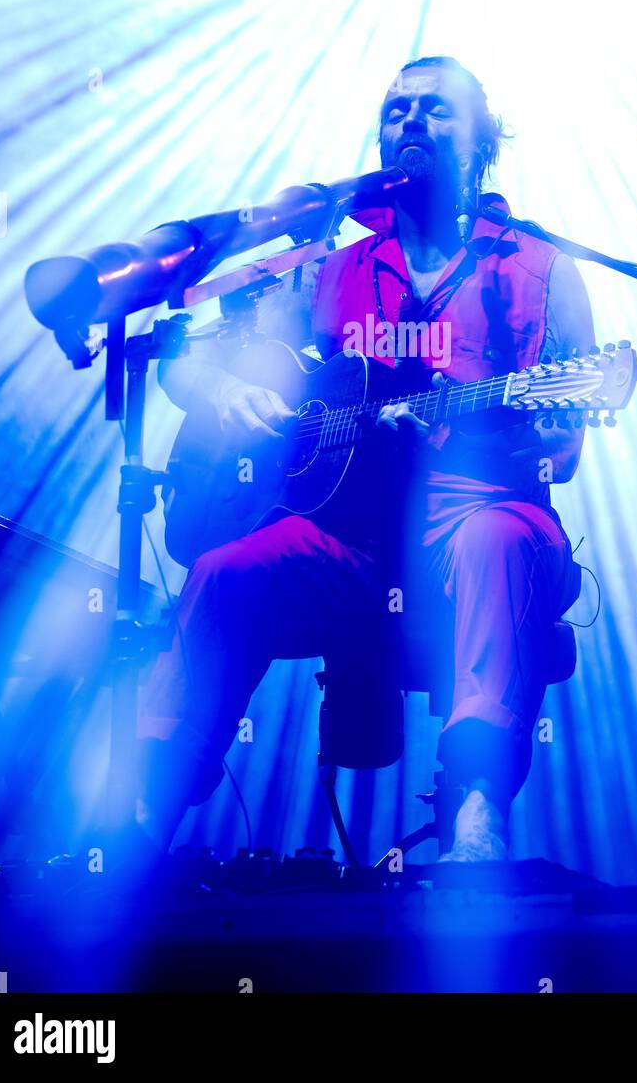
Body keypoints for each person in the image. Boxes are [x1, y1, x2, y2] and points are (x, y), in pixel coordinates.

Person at [137, 56, 594, 862]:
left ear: (483, 137)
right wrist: (223, 392)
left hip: (476, 520)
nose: (411, 122)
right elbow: (182, 357)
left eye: (436, 110)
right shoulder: (329, 267)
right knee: (225, 573)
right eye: (396, 110)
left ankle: (477, 817)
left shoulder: (537, 266)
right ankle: (140, 826)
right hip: (346, 541)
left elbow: (566, 445)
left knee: (500, 541)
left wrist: (472, 437)